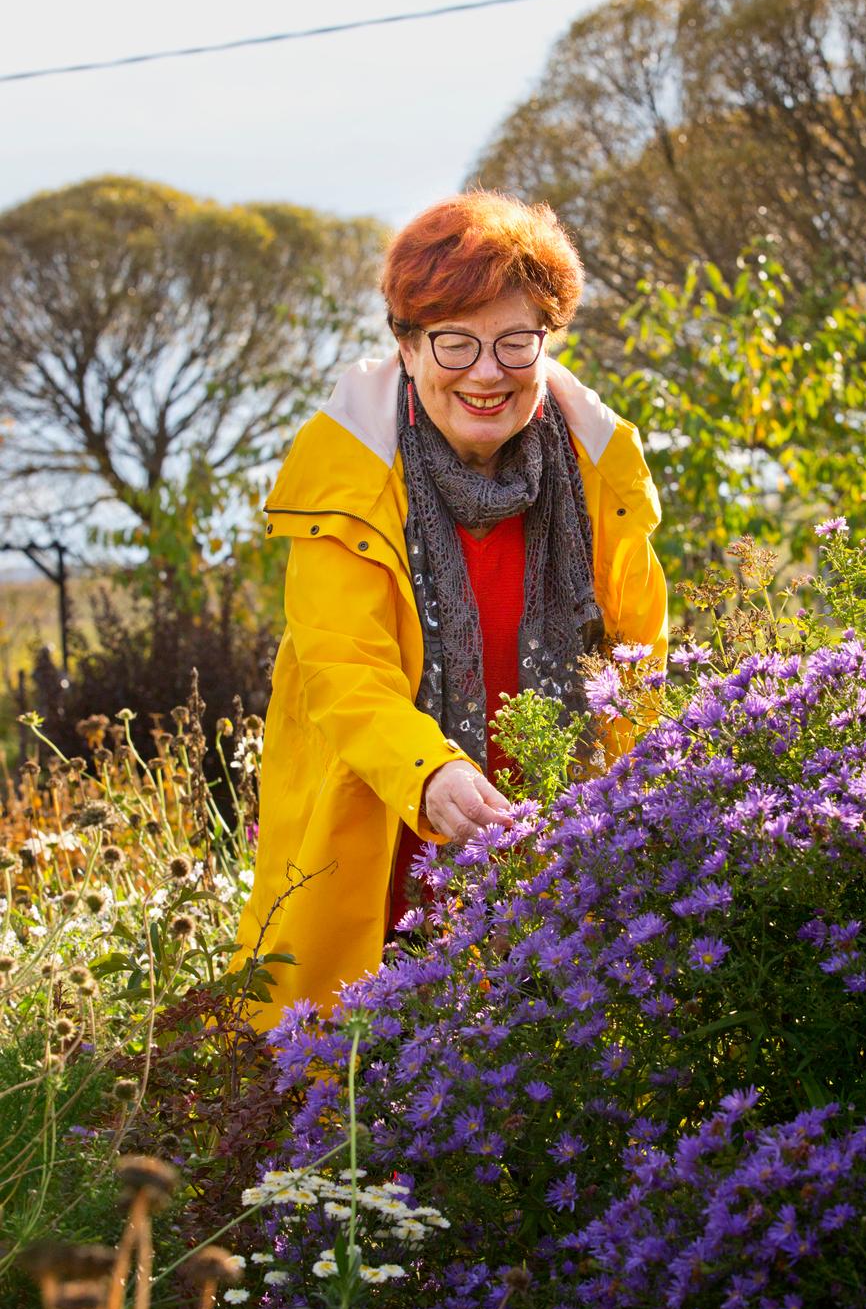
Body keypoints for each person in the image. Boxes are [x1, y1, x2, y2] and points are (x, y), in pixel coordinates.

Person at [231, 191, 666, 1030]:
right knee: (352, 1084)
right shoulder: (350, 472)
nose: (487, 370)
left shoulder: (597, 465)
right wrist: (430, 775)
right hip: (385, 833)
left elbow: (640, 658)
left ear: (549, 340)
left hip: (555, 844)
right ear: (404, 343)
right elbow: (343, 671)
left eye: (515, 341)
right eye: (454, 342)